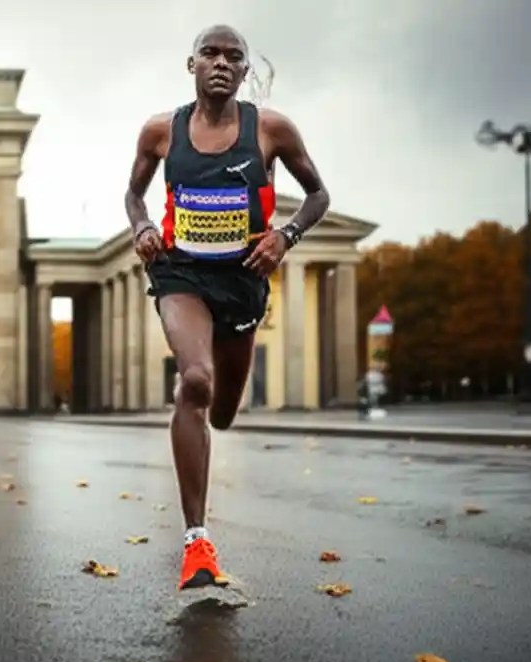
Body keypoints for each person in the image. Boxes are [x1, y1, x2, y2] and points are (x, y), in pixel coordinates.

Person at [123, 24, 330, 590]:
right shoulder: (162, 132)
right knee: (194, 381)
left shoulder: (272, 130)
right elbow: (135, 193)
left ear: (245, 72)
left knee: (222, 411)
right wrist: (142, 227)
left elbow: (318, 194)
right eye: (210, 53)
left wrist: (285, 237)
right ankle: (197, 541)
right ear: (190, 64)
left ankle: (209, 413)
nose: (220, 62)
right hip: (180, 272)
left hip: (241, 281)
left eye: (232, 56)